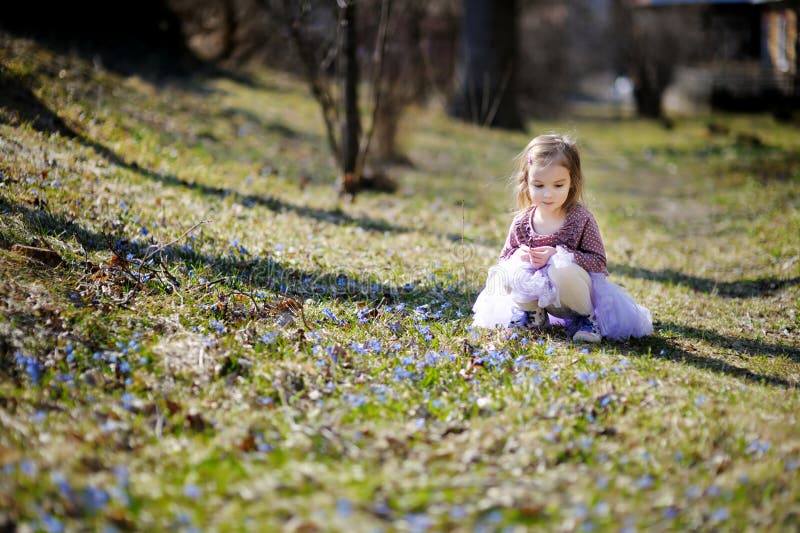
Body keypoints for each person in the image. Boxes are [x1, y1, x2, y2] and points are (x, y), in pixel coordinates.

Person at [471, 134, 653, 342]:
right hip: (538, 298)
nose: (548, 194)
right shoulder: (522, 222)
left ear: (572, 183)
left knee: (560, 268)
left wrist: (558, 255)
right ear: (526, 183)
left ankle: (585, 319)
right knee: (509, 269)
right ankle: (534, 316)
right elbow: (504, 260)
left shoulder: (580, 219)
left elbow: (599, 263)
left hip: (572, 297)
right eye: (539, 186)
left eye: (558, 185)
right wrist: (519, 256)